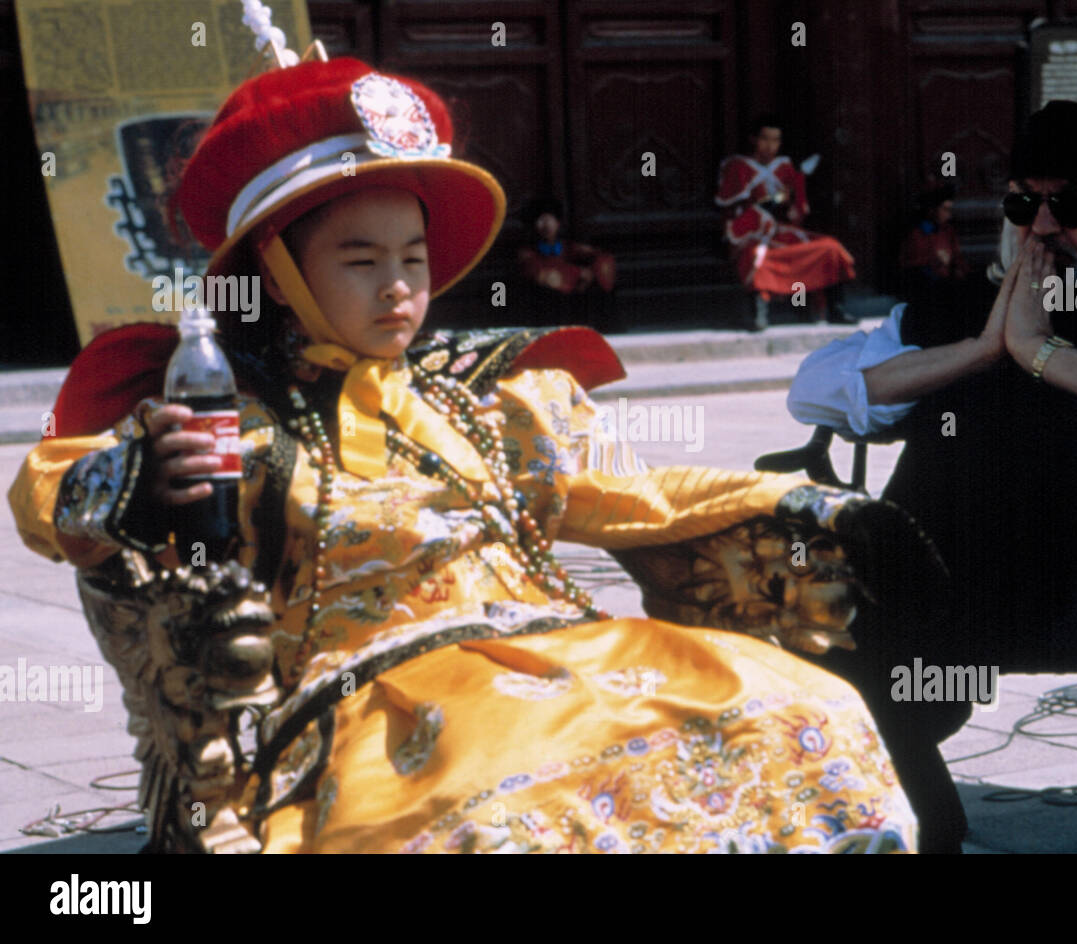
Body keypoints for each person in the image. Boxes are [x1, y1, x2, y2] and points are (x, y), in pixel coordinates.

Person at [7, 42, 945, 853]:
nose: (398, 290)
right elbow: (47, 493)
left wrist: (798, 504)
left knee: (802, 710)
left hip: (565, 651)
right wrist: (132, 480)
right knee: (509, 804)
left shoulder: (488, 391)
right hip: (379, 697)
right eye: (359, 261)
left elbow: (632, 494)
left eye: (412, 259)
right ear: (279, 273)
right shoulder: (234, 413)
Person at [786, 100, 1077, 852]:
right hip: (950, 590)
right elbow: (813, 388)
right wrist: (979, 351)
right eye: (1022, 203)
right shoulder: (958, 307)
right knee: (814, 595)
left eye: (1066, 206)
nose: (1039, 227)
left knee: (1035, 433)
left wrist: (1037, 352)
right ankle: (930, 815)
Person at [715, 115, 856, 331]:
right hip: (751, 232)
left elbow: (795, 210)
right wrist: (773, 202)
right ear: (754, 139)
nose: (770, 145)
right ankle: (758, 313)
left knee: (830, 247)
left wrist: (796, 187)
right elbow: (736, 209)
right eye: (765, 139)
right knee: (756, 256)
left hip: (782, 230)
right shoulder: (738, 166)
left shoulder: (784, 166)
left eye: (776, 140)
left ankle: (835, 308)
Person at [516, 196, 617, 331]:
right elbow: (539, 272)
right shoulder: (526, 252)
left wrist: (591, 275)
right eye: (540, 220)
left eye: (550, 219)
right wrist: (579, 273)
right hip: (547, 312)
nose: (546, 225)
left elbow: (600, 257)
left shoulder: (568, 247)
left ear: (558, 222)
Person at [899, 183, 968, 296]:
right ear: (932, 209)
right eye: (945, 209)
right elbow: (911, 264)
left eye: (950, 210)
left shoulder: (948, 230)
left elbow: (957, 258)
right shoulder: (917, 233)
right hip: (927, 288)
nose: (948, 215)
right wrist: (936, 260)